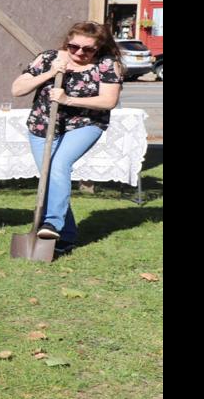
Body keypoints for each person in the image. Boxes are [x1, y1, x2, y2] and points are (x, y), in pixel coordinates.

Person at [8, 20, 122, 254]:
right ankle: (66, 236)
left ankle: (51, 223)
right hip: (43, 124)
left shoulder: (107, 65)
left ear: (98, 48)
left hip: (84, 124)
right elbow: (17, 89)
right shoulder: (49, 58)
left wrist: (68, 100)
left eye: (88, 49)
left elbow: (108, 101)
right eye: (74, 47)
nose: (79, 53)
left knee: (59, 165)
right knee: (51, 178)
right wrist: (51, 72)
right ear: (67, 43)